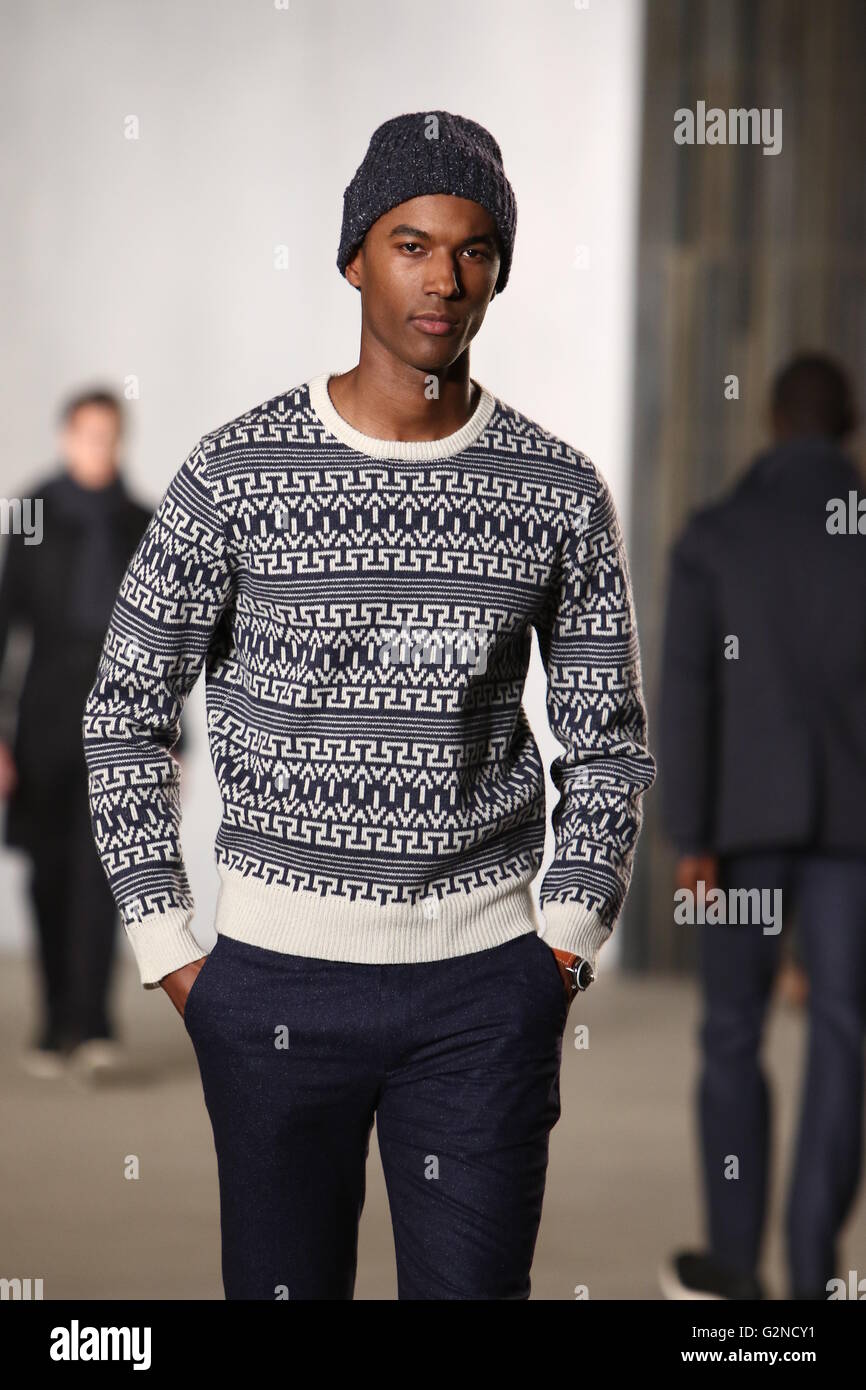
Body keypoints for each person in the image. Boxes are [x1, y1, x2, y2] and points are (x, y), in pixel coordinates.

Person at [82, 110, 656, 1299]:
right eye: (409, 243)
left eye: (473, 247)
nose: (443, 278)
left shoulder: (554, 489)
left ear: (497, 266)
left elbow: (609, 746)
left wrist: (559, 946)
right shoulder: (236, 472)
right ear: (353, 255)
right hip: (272, 987)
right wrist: (172, 953)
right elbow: (123, 711)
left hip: (485, 987)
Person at [658, 353, 866, 1301]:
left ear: (773, 423)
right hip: (856, 837)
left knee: (733, 1031)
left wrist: (690, 835)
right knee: (843, 1030)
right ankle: (816, 1262)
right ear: (848, 428)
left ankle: (737, 1266)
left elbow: (689, 691)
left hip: (741, 828)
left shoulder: (717, 534)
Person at [0, 389, 153, 1077]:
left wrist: (168, 741)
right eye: (86, 434)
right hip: (43, 722)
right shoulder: (31, 512)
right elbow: (4, 628)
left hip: (123, 719)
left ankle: (93, 1023)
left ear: (120, 440)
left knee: (105, 871)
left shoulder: (141, 521)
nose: (97, 447)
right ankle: (53, 1018)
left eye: (108, 435)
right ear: (67, 437)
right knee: (47, 871)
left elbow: (162, 643)